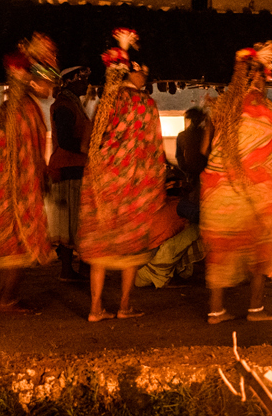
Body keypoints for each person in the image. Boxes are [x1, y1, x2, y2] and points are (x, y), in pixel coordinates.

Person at [77, 28, 185, 322]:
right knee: (132, 246)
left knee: (101, 244)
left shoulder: (106, 103)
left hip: (105, 184)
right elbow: (153, 151)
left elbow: (90, 144)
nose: (146, 77)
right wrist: (154, 184)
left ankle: (95, 308)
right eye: (143, 72)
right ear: (131, 72)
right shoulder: (145, 105)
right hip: (134, 187)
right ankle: (124, 305)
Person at [201, 41, 272, 324]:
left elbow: (205, 150)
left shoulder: (222, 106)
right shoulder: (265, 110)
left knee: (219, 253)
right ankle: (256, 309)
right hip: (252, 194)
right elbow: (270, 160)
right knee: (259, 250)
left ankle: (216, 311)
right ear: (261, 78)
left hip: (217, 193)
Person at [0, 33, 58, 313]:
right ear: (35, 80)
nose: (51, 88)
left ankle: (1, 298)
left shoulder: (16, 108)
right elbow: (25, 157)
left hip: (2, 188)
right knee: (17, 247)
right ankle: (7, 299)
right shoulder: (25, 110)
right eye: (48, 81)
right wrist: (35, 186)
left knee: (10, 248)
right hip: (16, 190)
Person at [46, 66, 93, 282]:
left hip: (75, 167)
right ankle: (68, 270)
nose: (86, 84)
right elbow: (65, 141)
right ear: (72, 80)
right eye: (83, 80)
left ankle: (80, 268)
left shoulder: (72, 104)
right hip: (69, 168)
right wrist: (91, 148)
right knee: (71, 222)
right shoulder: (64, 106)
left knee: (78, 222)